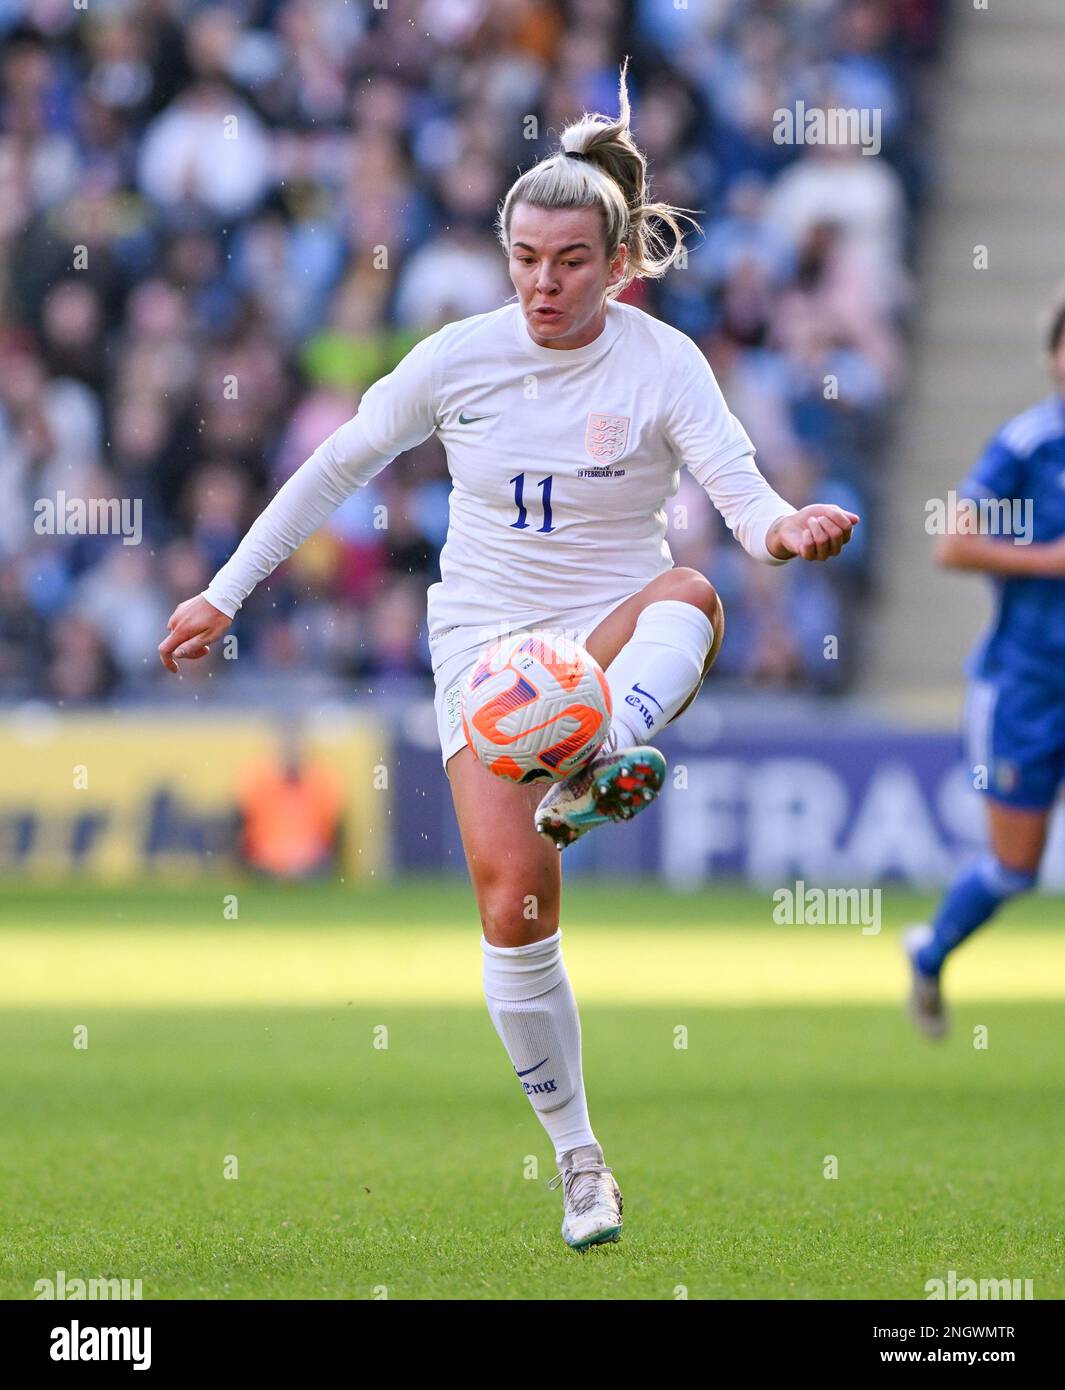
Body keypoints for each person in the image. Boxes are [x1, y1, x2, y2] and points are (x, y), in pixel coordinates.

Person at [159, 63, 858, 1249]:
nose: (544, 282)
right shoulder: (458, 358)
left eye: (570, 261)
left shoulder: (662, 363)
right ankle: (581, 1159)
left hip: (608, 623)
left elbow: (742, 502)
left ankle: (603, 755)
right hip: (485, 645)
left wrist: (783, 529)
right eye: (526, 258)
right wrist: (225, 594)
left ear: (617, 258)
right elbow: (335, 467)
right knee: (513, 904)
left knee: (689, 591)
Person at [906, 291, 1065, 1038]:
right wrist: (1046, 561)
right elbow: (951, 543)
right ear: (1051, 357)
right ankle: (931, 951)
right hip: (1026, 683)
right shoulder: (1026, 446)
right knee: (1014, 868)